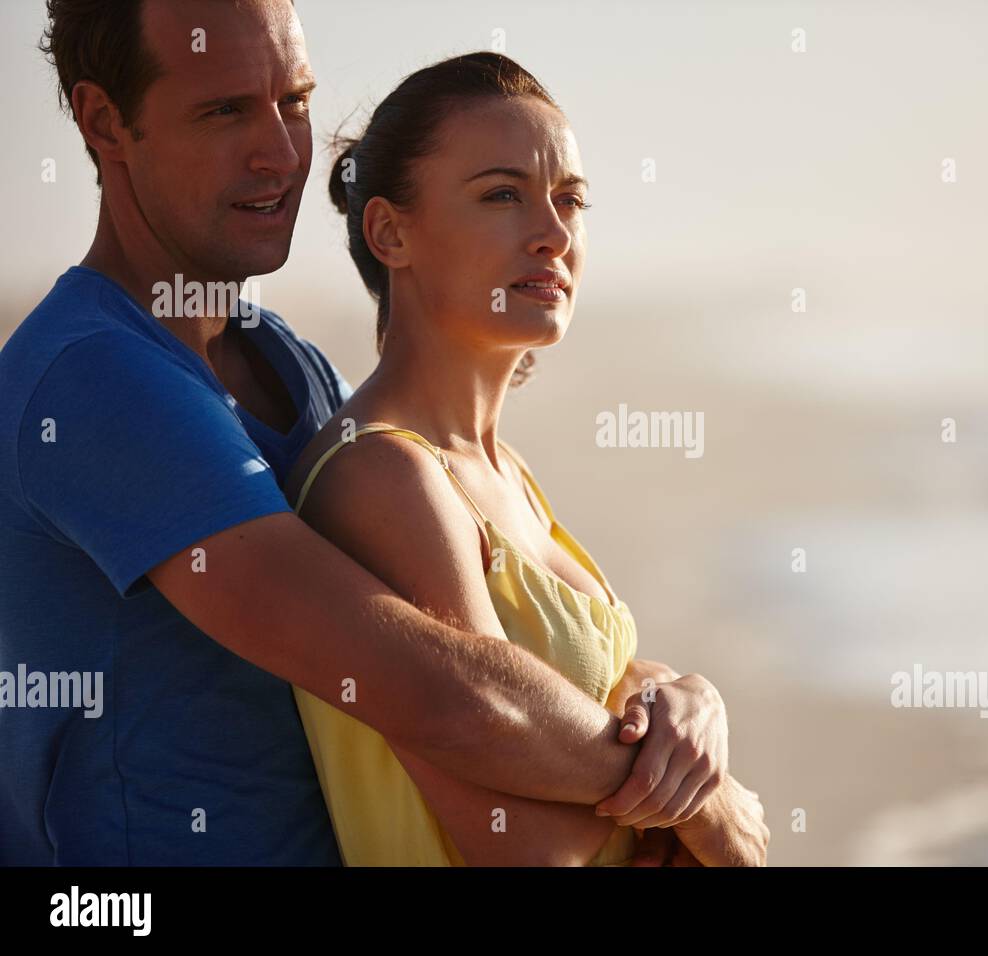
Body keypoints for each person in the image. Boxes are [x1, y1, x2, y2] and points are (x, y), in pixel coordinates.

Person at [0, 0, 760, 866]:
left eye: (292, 101)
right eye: (224, 110)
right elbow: (442, 693)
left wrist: (678, 698)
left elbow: (506, 657)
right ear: (106, 122)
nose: (281, 152)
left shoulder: (293, 368)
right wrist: (693, 799)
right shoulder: (95, 378)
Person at [284, 52, 767, 866]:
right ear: (390, 231)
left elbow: (587, 693)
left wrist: (686, 695)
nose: (553, 233)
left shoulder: (508, 477)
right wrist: (698, 806)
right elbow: (526, 849)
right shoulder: (384, 477)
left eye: (570, 200)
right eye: (503, 195)